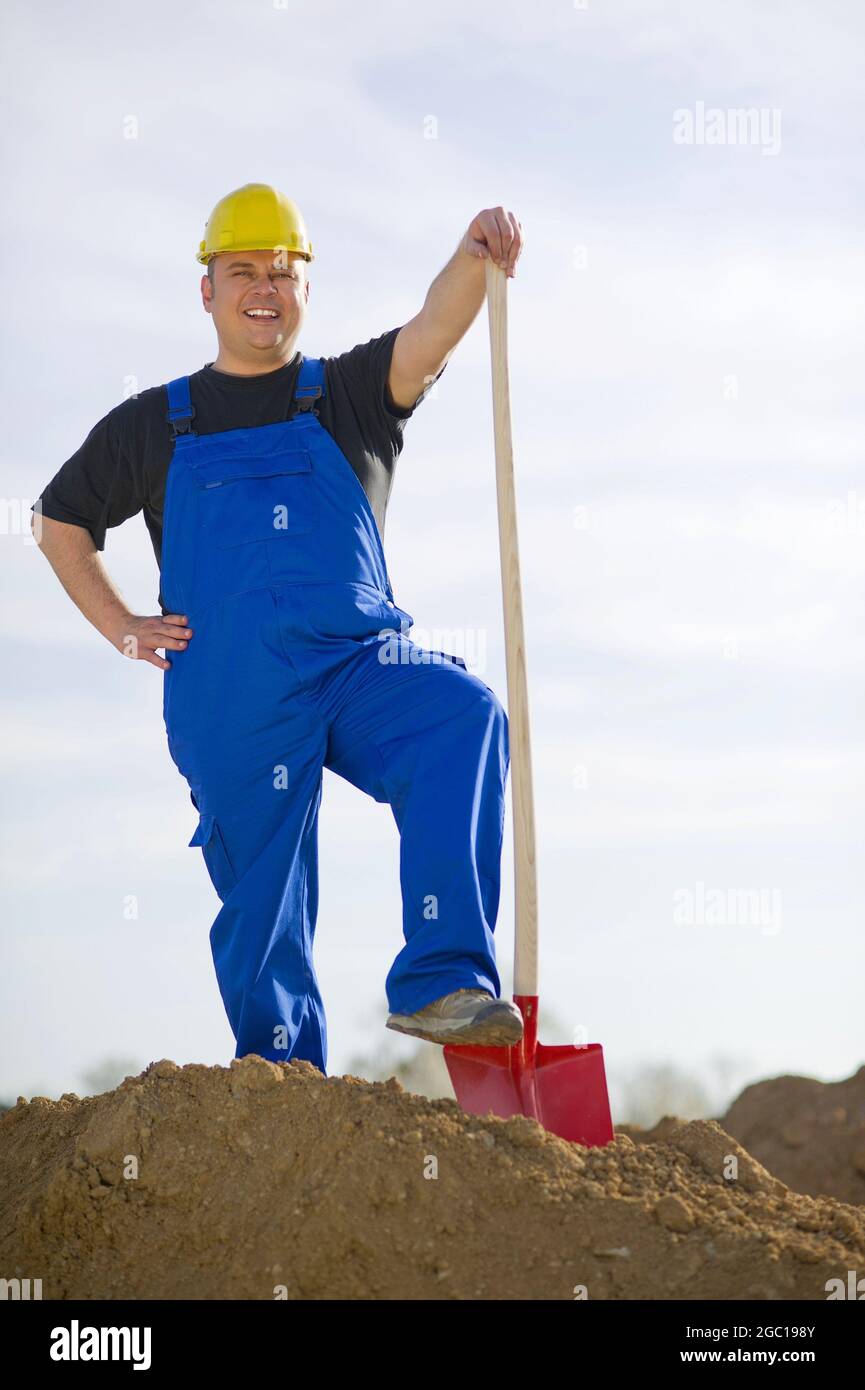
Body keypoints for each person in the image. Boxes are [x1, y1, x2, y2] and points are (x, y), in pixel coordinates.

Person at [31, 183, 526, 1073]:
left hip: (359, 666)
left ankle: (441, 981)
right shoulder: (155, 422)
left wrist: (474, 255)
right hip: (233, 692)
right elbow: (58, 520)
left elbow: (433, 329)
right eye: (242, 271)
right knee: (265, 898)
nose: (264, 287)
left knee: (463, 715)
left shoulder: (348, 394)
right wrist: (124, 627)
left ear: (306, 288)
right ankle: (283, 1087)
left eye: (283, 273)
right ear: (208, 289)